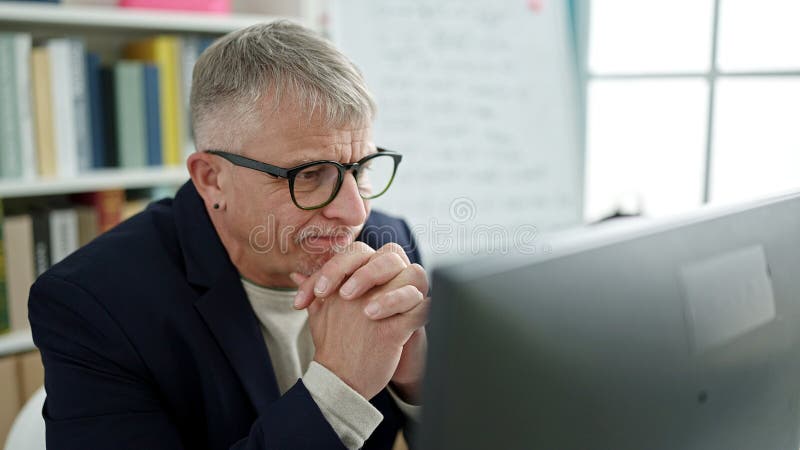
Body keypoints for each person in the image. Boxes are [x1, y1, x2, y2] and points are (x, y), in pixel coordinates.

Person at [29, 21, 430, 449]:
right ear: (212, 179)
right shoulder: (93, 305)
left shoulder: (387, 242)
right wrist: (338, 391)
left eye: (361, 169)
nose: (355, 211)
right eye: (310, 175)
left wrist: (422, 386)